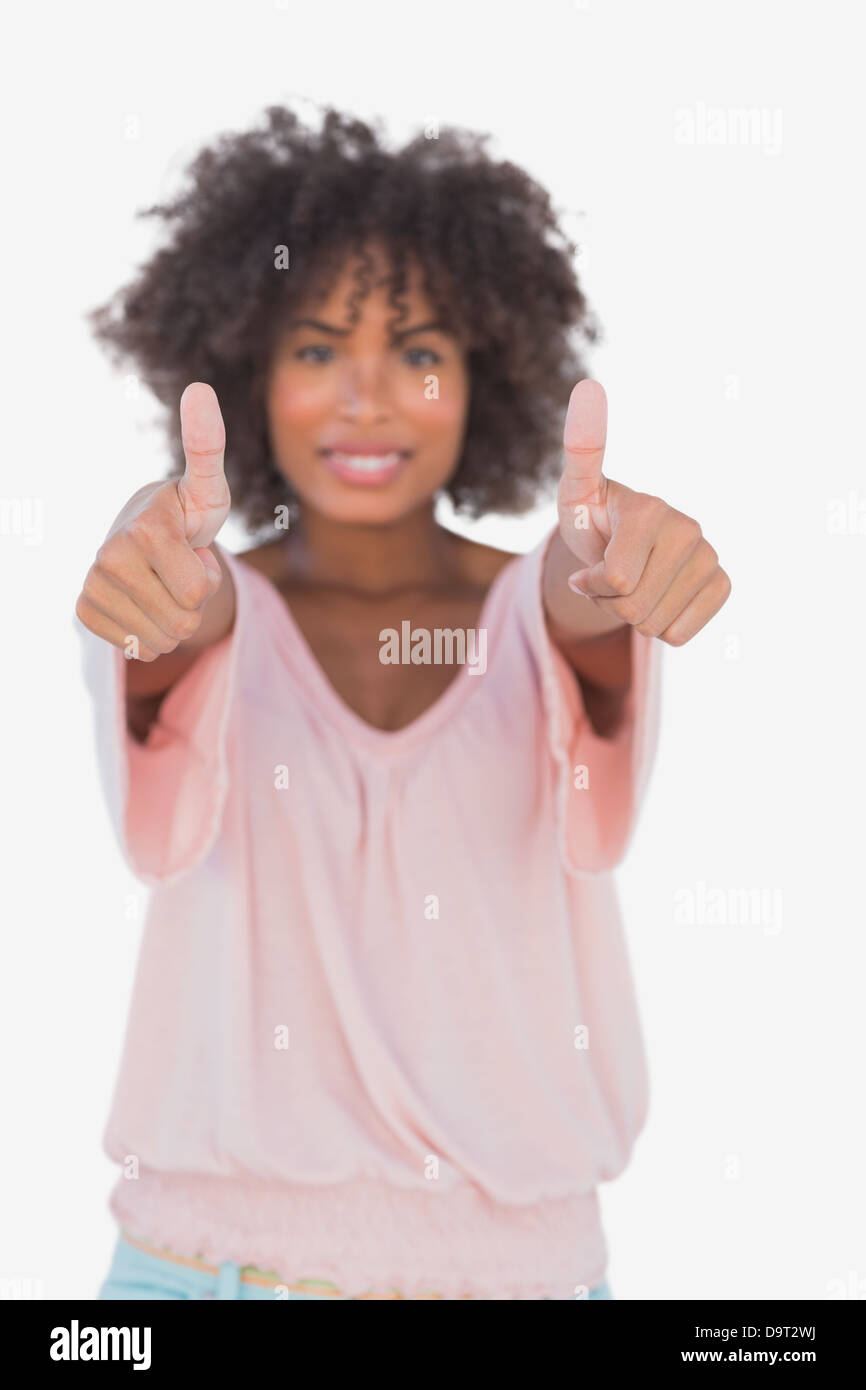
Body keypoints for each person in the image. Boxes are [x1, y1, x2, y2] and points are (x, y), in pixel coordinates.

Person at [74, 104, 730, 1300]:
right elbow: (185, 620)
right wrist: (146, 555)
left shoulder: (542, 605)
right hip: (195, 1279)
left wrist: (608, 568)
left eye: (417, 350)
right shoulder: (200, 594)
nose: (365, 397)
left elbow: (576, 609)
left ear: (488, 371)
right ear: (246, 371)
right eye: (316, 348)